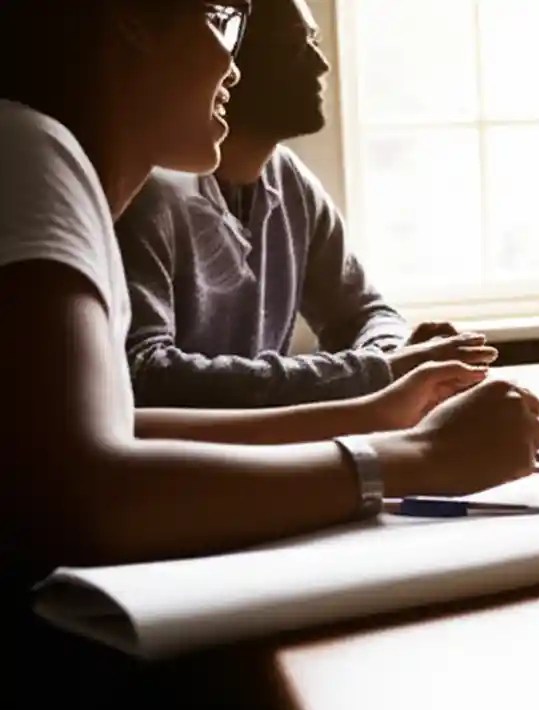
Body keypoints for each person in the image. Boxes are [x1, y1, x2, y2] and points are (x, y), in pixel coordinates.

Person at [0, 2, 539, 710]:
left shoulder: (52, 165)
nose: (234, 59)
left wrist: (374, 415)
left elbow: (116, 432)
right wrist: (415, 460)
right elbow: (89, 494)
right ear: (132, 18)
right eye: (224, 16)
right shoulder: (28, 153)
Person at [115, 0, 495, 409]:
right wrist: (381, 372)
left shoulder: (289, 179)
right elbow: (145, 375)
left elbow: (362, 311)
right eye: (298, 46)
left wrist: (390, 355)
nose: (321, 64)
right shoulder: (147, 193)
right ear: (234, 61)